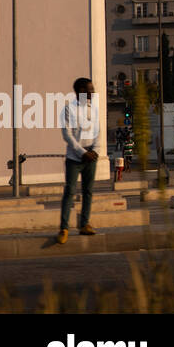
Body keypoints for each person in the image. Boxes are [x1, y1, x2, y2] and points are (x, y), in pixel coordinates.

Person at [57, 77, 101, 244]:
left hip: (92, 156)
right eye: (90, 90)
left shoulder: (93, 109)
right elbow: (67, 135)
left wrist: (95, 150)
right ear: (81, 91)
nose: (92, 93)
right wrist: (82, 152)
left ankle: (85, 224)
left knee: (88, 191)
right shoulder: (69, 109)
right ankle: (64, 228)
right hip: (75, 158)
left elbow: (98, 132)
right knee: (70, 191)